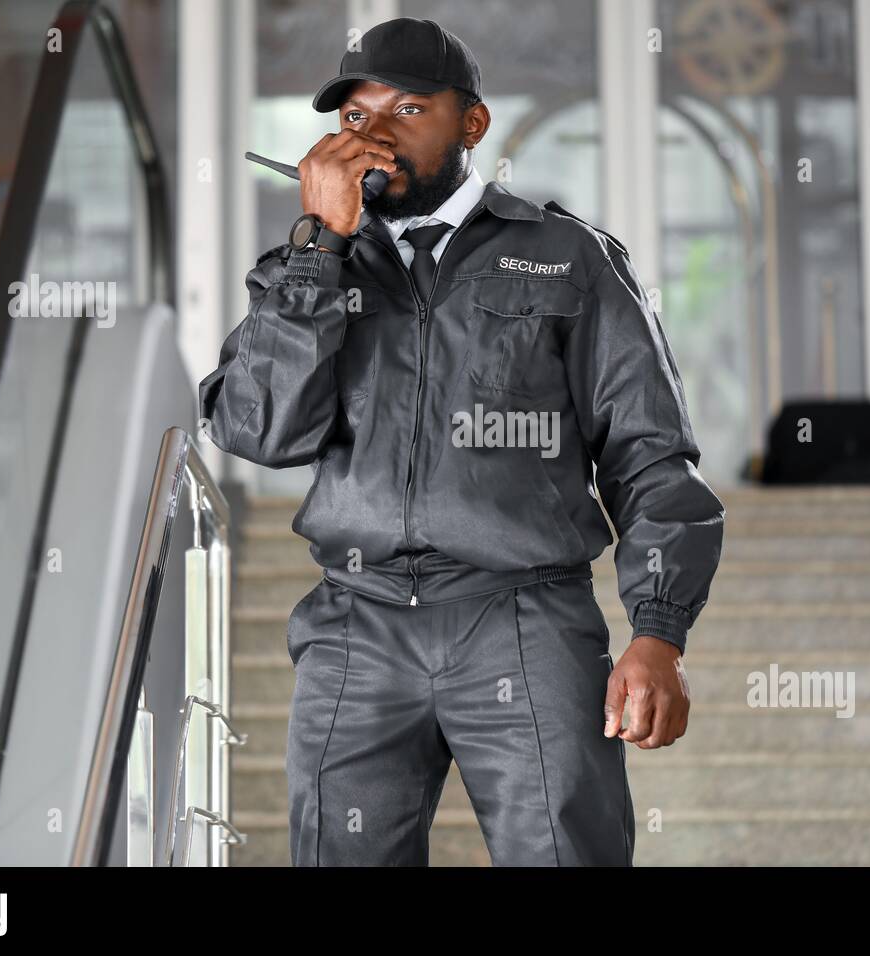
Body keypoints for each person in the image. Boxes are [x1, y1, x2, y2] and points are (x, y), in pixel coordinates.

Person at [198, 16, 725, 866]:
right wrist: (319, 251)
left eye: (406, 109)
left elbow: (651, 456)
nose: (374, 135)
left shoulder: (568, 258)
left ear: (471, 125)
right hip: (355, 624)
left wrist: (659, 630)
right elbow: (257, 430)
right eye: (355, 117)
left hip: (525, 616)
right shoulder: (308, 266)